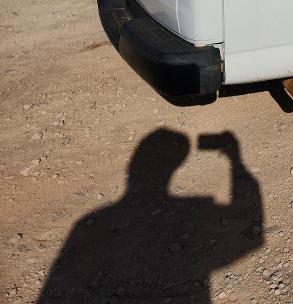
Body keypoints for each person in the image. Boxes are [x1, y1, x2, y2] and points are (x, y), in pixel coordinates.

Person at [38, 128, 263, 303]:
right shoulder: (194, 211)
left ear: (131, 166)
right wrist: (235, 159)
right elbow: (250, 235)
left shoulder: (89, 223)